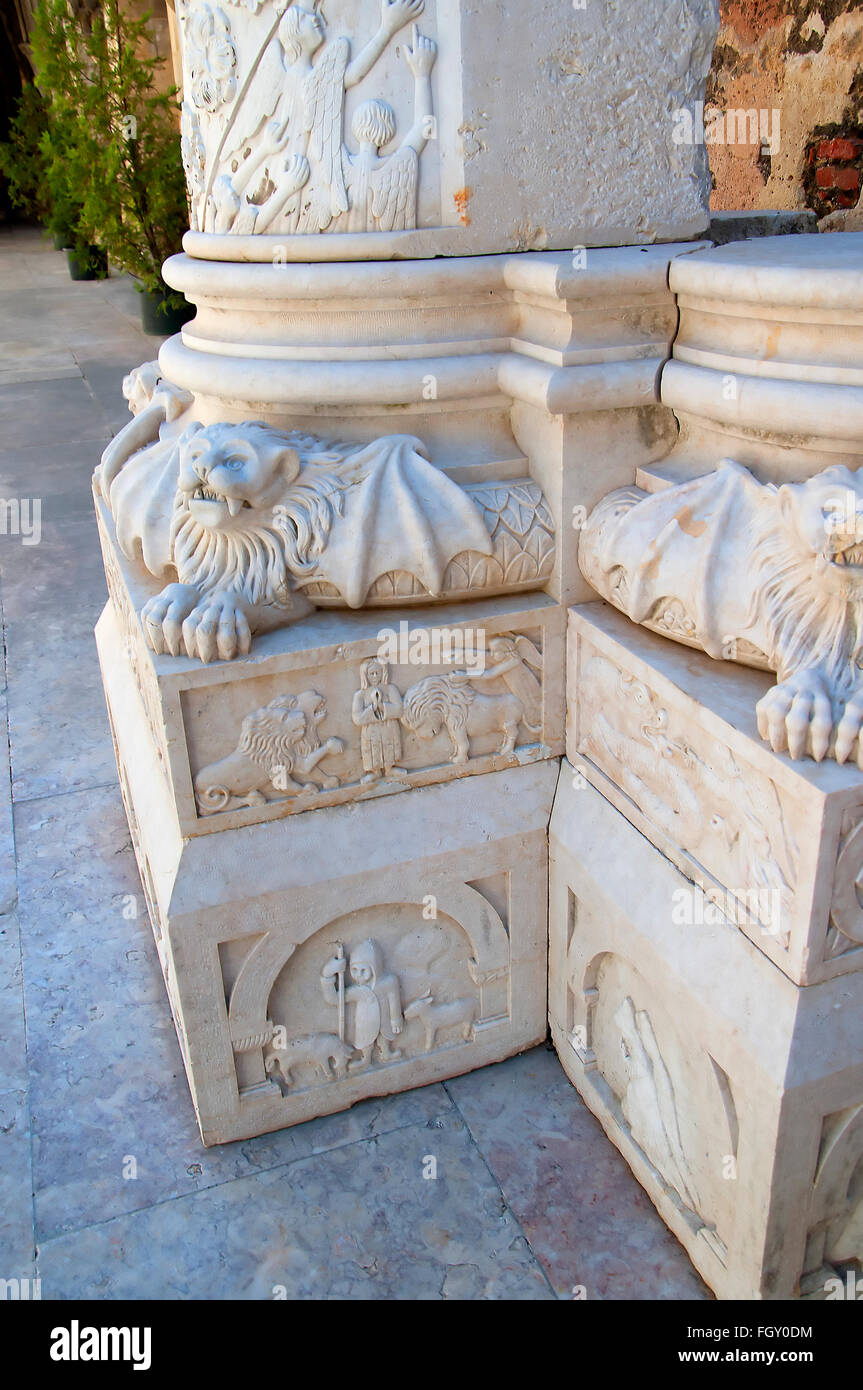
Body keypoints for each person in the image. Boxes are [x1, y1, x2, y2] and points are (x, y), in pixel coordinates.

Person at [320, 939, 404, 1071]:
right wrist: (328, 976)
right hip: (365, 1023)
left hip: (384, 1021)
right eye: (354, 970)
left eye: (363, 970)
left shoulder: (389, 981)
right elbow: (335, 999)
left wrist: (396, 1019)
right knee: (366, 1041)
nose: (358, 975)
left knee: (384, 1036)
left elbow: (394, 1001)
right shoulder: (358, 991)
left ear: (374, 967)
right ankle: (366, 1059)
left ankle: (386, 1053)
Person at [352, 658, 407, 782]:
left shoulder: (390, 689)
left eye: (378, 672)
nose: (375, 676)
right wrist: (373, 707)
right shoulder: (360, 695)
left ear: (383, 673)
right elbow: (357, 718)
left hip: (389, 727)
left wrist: (382, 705)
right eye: (372, 674)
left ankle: (390, 768)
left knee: (389, 747)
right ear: (366, 676)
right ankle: (375, 772)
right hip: (371, 730)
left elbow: (399, 710)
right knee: (373, 749)